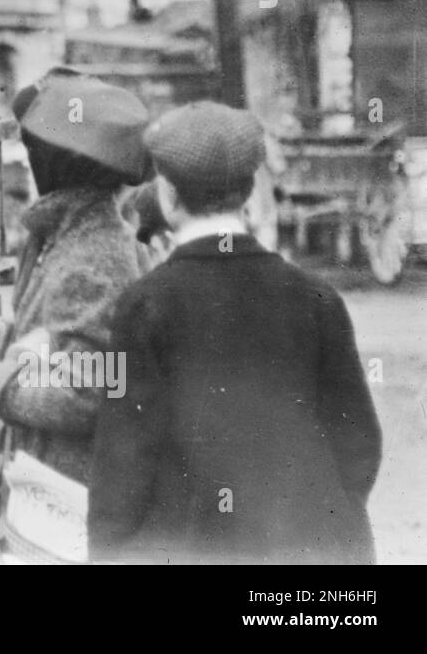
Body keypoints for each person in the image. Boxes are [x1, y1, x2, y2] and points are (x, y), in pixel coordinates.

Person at [88, 102, 382, 564]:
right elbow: (360, 443)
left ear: (166, 194)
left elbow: (122, 460)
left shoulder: (144, 306)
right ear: (249, 192)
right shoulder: (318, 299)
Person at [0, 73, 152, 559]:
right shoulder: (66, 236)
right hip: (50, 487)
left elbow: (87, 394)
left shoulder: (94, 254)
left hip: (70, 502)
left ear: (52, 165)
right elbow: (55, 341)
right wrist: (6, 339)